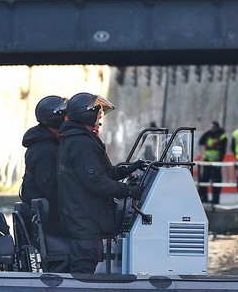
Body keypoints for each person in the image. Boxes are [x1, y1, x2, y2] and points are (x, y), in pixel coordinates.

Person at [55, 92, 146, 275]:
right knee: (86, 259)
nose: (99, 117)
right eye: (98, 113)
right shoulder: (81, 142)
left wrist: (130, 168)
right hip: (84, 216)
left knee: (89, 256)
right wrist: (128, 191)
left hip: (83, 214)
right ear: (86, 114)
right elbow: (95, 181)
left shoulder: (79, 138)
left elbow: (106, 173)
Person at [20, 94, 66, 236]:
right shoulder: (44, 149)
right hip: (49, 223)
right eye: (65, 115)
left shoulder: (49, 143)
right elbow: (52, 189)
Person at [197, 120, 228, 205]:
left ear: (217, 127)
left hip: (216, 163)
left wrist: (219, 162)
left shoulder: (222, 136)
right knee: (203, 181)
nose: (212, 129)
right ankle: (204, 198)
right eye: (210, 127)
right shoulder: (208, 134)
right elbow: (201, 141)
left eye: (213, 127)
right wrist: (207, 132)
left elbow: (223, 150)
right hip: (207, 161)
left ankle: (215, 200)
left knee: (216, 182)